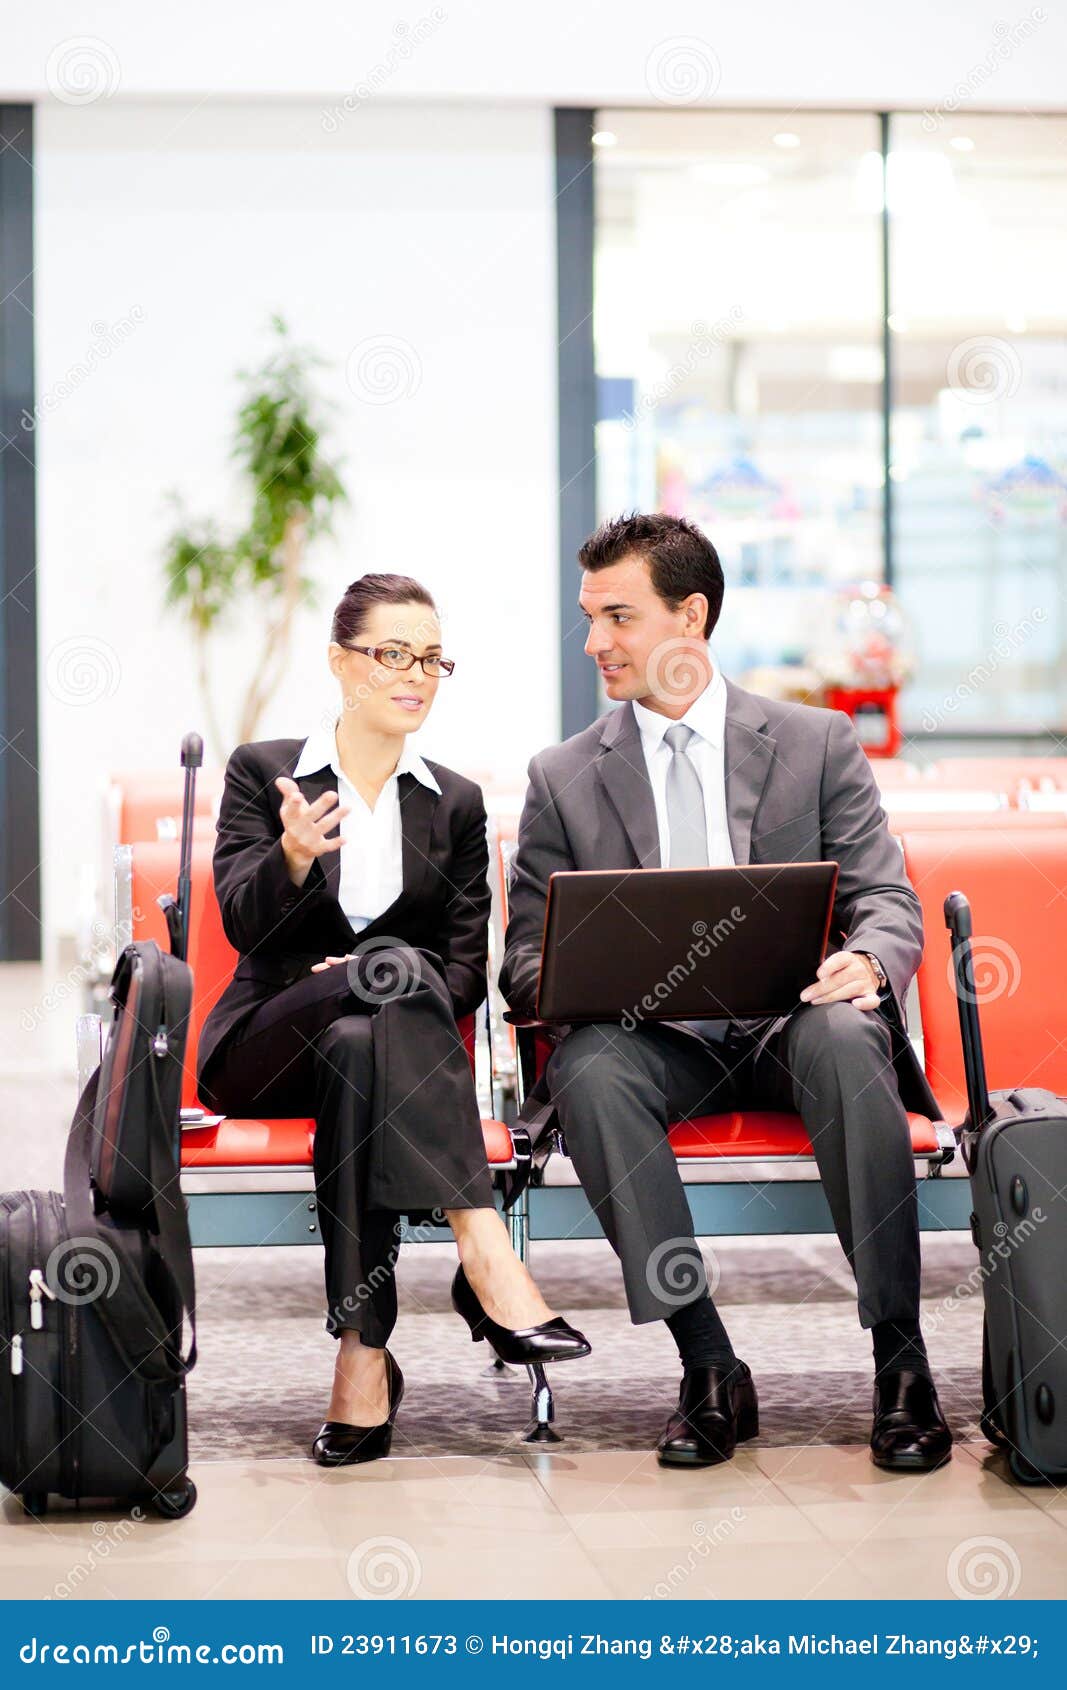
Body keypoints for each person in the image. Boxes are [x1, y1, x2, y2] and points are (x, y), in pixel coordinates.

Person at [500, 513, 953, 1473]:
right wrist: (594, 971)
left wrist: (867, 964)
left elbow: (886, 898)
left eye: (616, 618)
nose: (595, 644)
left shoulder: (814, 742)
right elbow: (523, 962)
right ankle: (706, 1363)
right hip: (657, 1045)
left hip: (790, 1028)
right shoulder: (564, 777)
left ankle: (900, 1363)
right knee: (589, 1067)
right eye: (589, 619)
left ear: (689, 616)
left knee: (844, 1036)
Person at [196, 573, 590, 1466]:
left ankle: (361, 1359)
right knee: (378, 987)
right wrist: (292, 857)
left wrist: (377, 981)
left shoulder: (452, 802)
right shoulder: (267, 773)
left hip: (366, 1056)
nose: (415, 674)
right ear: (342, 663)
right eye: (391, 654)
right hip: (261, 1042)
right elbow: (243, 926)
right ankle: (484, 1250)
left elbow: (462, 976)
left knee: (361, 1039)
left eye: (430, 658)